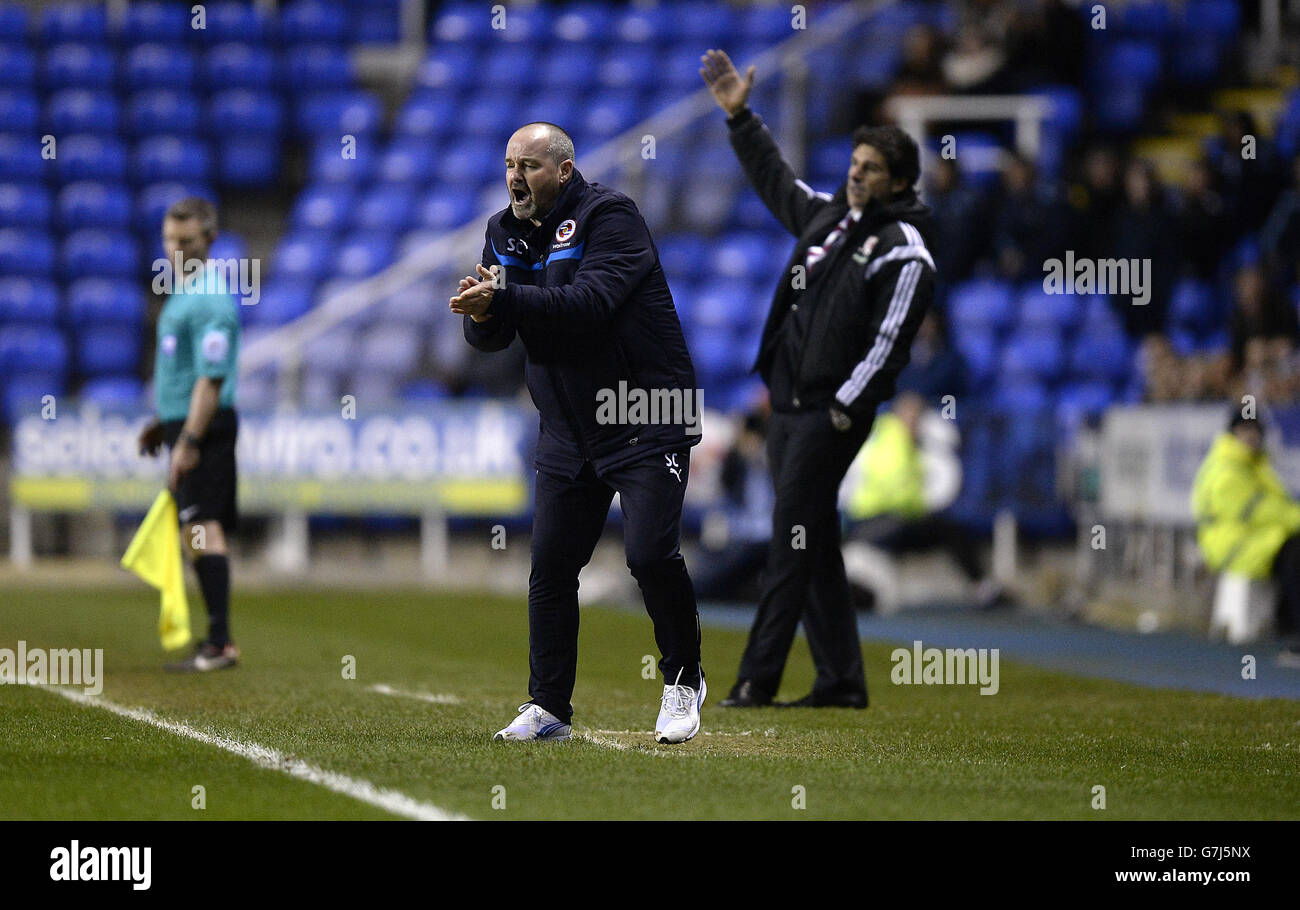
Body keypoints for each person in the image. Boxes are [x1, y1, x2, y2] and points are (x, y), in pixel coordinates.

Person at [451, 122, 705, 744]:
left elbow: (588, 305)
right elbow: (494, 337)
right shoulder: (502, 231)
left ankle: (684, 677)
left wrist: (504, 300)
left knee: (647, 554)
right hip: (568, 427)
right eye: (509, 163)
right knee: (552, 569)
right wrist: (484, 313)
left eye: (530, 165)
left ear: (563, 171)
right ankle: (548, 707)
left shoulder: (612, 217)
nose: (515, 177)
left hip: (644, 411)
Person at [700, 50, 937, 708]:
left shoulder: (905, 253)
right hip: (788, 406)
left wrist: (839, 410)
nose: (856, 176)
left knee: (789, 539)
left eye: (871, 170)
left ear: (898, 183)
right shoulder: (829, 218)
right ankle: (841, 681)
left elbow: (888, 347)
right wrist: (741, 117)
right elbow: (779, 182)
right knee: (813, 539)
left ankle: (755, 681)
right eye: (855, 164)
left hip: (827, 415)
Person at [136, 197, 241, 672]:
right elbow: (186, 373)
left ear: (209, 241)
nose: (176, 250)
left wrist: (189, 440)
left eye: (186, 241)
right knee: (195, 529)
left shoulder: (211, 298)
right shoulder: (186, 293)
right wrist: (166, 423)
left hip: (206, 427)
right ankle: (216, 641)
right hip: (189, 423)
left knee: (201, 528)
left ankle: (220, 643)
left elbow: (211, 378)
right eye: (170, 240)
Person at [842, 391, 1004, 609]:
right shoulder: (889, 440)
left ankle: (983, 589)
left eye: (917, 415)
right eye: (911, 415)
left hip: (898, 521)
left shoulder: (909, 442)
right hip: (875, 522)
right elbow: (898, 492)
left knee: (950, 530)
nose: (915, 421)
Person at [1191, 411, 1300, 666]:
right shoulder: (1226, 467)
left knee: (1292, 550)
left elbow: (1275, 508)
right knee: (1294, 554)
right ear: (1233, 433)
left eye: (1256, 431)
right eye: (1246, 430)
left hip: (1252, 538)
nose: (1252, 436)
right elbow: (1260, 511)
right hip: (1230, 545)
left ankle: (1284, 622)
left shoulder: (1253, 463)